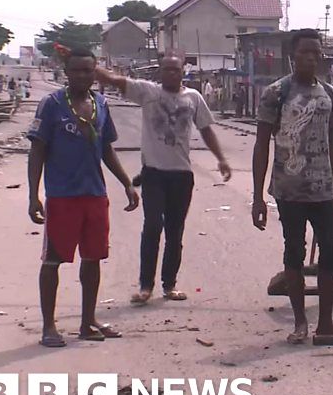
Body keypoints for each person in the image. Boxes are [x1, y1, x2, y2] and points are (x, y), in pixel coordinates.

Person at [94, 50, 232, 304]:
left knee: (174, 233)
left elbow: (206, 130)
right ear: (160, 72)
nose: (171, 73)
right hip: (154, 173)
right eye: (166, 69)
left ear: (183, 72)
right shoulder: (148, 92)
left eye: (176, 69)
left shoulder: (194, 97)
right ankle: (146, 286)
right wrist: (86, 64)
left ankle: (169, 285)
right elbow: (114, 80)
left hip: (181, 175)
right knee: (153, 226)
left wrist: (221, 158)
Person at [27, 47, 139, 347]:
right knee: (53, 261)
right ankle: (49, 326)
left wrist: (127, 183)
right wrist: (33, 195)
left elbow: (106, 149)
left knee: (93, 259)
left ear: (95, 72)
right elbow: (37, 149)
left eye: (88, 70)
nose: (82, 76)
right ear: (67, 72)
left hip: (95, 195)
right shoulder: (51, 105)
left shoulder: (101, 103)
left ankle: (88, 321)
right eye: (76, 70)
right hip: (62, 196)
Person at [252, 29, 333, 343]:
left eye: (316, 52)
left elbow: (332, 145)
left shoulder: (330, 95)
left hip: (324, 190)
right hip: (289, 189)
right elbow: (261, 144)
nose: (312, 57)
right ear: (292, 56)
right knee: (294, 251)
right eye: (305, 52)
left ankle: (325, 322)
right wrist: (257, 197)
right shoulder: (276, 93)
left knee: (332, 251)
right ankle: (299, 322)